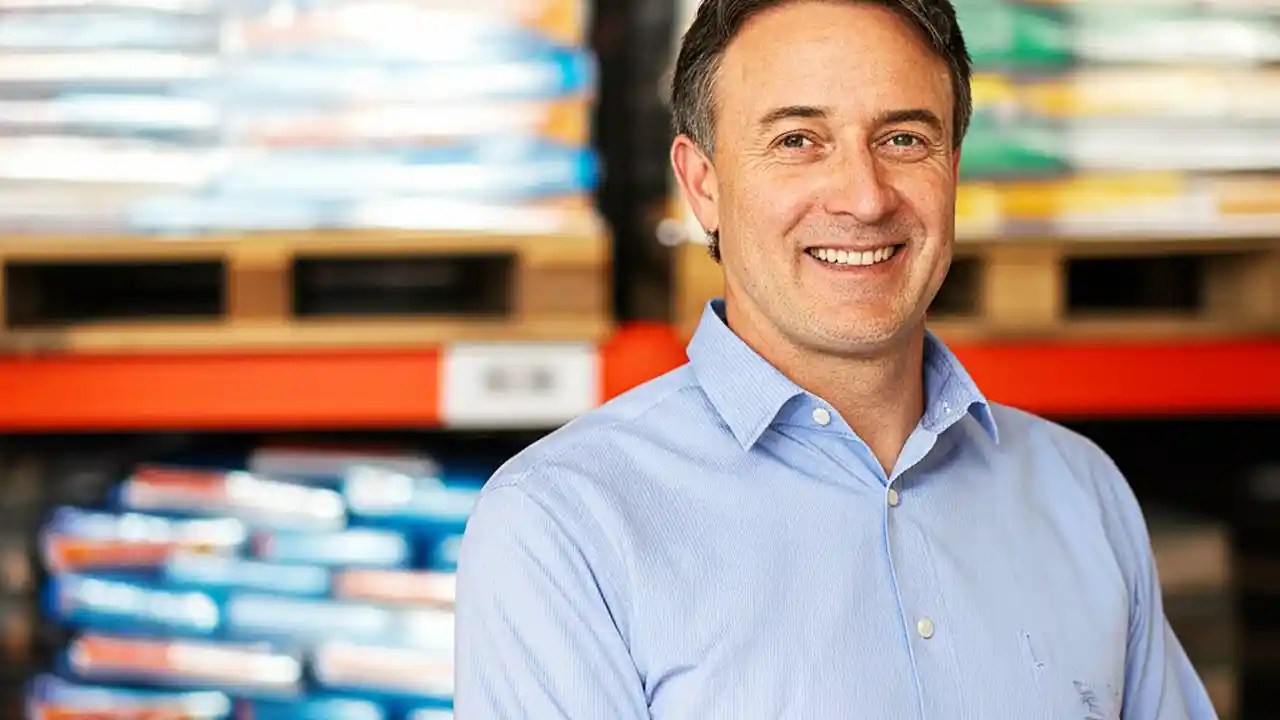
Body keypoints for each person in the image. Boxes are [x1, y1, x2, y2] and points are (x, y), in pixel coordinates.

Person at [455, 0, 1218, 717]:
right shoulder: (564, 524)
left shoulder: (1079, 492)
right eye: (797, 140)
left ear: (953, 168)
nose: (864, 196)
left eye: (904, 140)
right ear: (703, 184)